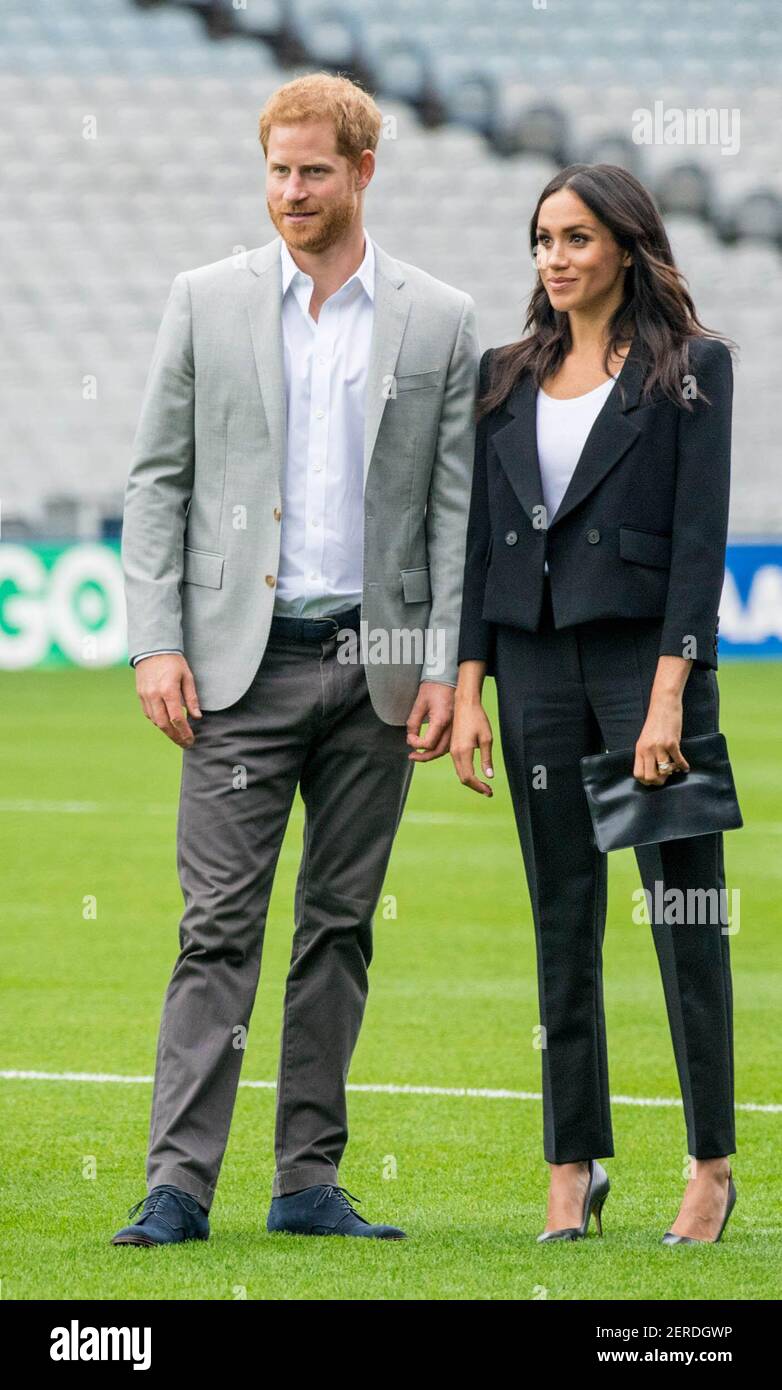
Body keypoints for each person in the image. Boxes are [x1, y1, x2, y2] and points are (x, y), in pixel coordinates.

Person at [114, 72, 479, 1246]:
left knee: (338, 925)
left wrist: (441, 665)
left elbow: (453, 512)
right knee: (216, 925)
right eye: (276, 169)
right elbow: (158, 480)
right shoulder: (205, 299)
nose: (290, 191)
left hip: (378, 667)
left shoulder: (438, 318)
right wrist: (156, 640)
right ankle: (179, 1185)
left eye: (313, 170)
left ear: (363, 171)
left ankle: (305, 1180)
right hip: (239, 668)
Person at [451, 164, 737, 1245]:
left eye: (573, 238)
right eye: (539, 241)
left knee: (683, 922)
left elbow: (697, 545)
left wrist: (669, 693)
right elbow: (483, 542)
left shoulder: (691, 370)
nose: (552, 259)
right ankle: (571, 1166)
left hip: (643, 676)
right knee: (559, 926)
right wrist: (469, 684)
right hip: (529, 671)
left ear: (623, 243)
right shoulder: (503, 373)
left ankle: (707, 1164)